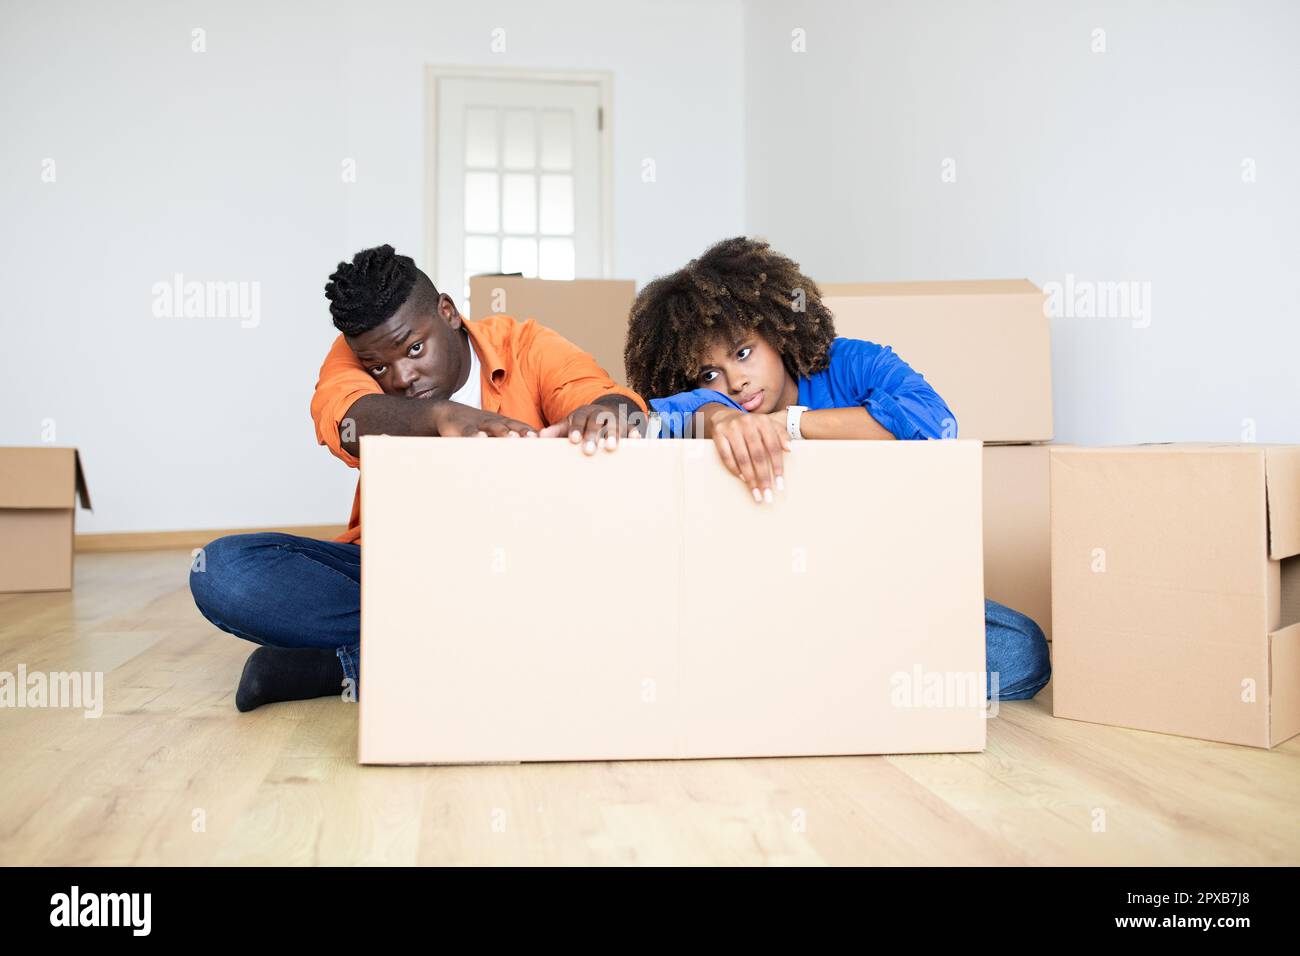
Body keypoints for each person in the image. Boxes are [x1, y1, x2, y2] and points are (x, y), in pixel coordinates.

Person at [188, 244, 646, 711]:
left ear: (447, 312)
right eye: (380, 367)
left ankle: (343, 665)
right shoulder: (353, 352)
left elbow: (609, 397)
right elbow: (342, 419)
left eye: (414, 348)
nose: (403, 376)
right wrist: (442, 416)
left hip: (518, 572)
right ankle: (476, 651)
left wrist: (605, 414)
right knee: (223, 572)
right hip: (399, 573)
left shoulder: (524, 344)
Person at [624, 236, 1050, 700]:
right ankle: (849, 674)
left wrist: (788, 424)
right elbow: (656, 422)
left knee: (1022, 651)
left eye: (743, 353)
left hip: (880, 587)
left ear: (776, 330)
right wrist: (720, 418)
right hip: (764, 598)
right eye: (710, 373)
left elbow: (935, 423)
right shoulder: (715, 406)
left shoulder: (851, 364)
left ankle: (838, 671)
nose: (735, 380)